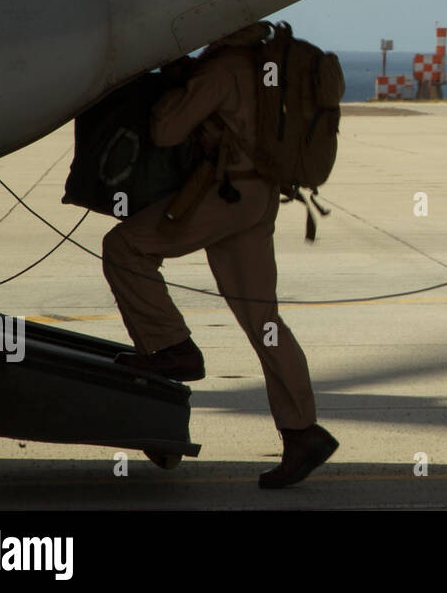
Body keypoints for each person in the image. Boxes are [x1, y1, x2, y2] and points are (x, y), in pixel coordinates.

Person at [102, 24, 338, 489]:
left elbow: (166, 131)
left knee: (124, 247)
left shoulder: (223, 70)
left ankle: (172, 346)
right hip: (259, 195)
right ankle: (302, 431)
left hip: (223, 195)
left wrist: (172, 90)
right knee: (264, 320)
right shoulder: (262, 65)